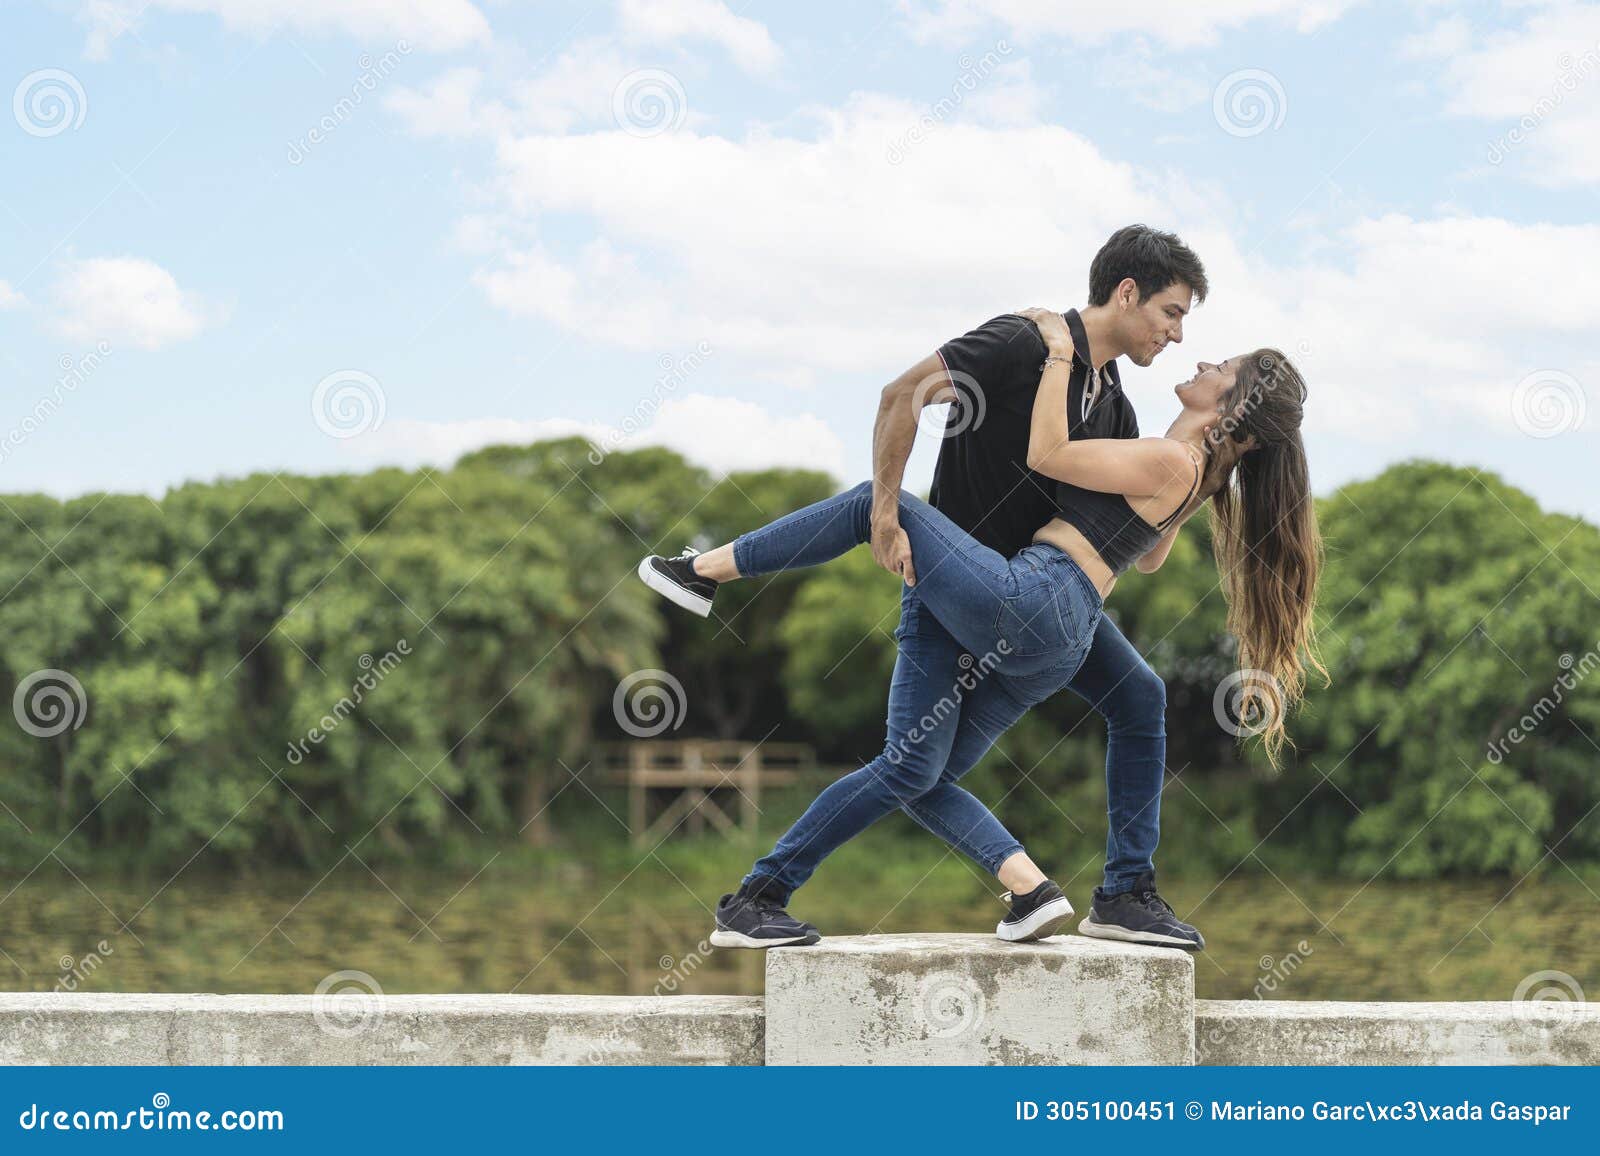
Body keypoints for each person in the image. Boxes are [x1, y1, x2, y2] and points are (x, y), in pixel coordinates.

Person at [643, 227, 1263, 951]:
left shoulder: (1115, 411)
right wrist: (881, 512)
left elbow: (1131, 531)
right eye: (1171, 311)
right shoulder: (1020, 343)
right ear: (1126, 293)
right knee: (914, 766)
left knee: (1135, 697)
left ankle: (1121, 891)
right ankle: (701, 574)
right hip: (950, 589)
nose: (1177, 333)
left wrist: (1205, 458)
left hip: (1034, 597)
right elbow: (901, 393)